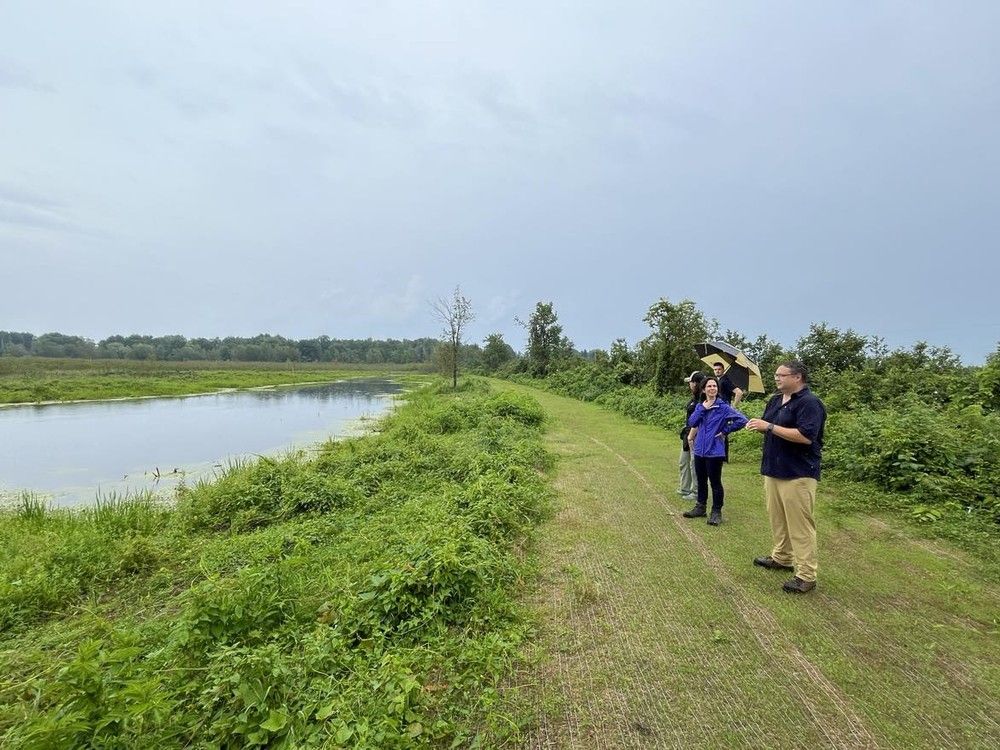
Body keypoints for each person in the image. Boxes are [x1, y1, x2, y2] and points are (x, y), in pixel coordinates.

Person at [745, 361, 827, 594]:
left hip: (798, 473)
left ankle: (806, 575)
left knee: (800, 526)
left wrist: (769, 427)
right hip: (774, 469)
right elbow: (768, 425)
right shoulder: (775, 400)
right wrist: (759, 426)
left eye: (782, 375)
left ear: (798, 377)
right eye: (776, 375)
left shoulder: (810, 404)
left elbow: (805, 436)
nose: (777, 378)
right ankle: (781, 557)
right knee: (777, 519)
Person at [685, 376, 749, 526]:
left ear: (717, 389)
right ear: (703, 389)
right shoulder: (701, 406)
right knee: (701, 480)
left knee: (715, 482)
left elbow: (742, 420)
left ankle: (716, 512)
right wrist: (702, 409)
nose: (712, 388)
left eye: (714, 386)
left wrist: (725, 430)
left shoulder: (723, 407)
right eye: (709, 386)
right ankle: (700, 507)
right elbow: (692, 422)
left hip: (715, 451)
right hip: (700, 449)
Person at [677, 371, 705, 501]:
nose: (690, 384)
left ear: (696, 383)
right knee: (683, 461)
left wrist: (693, 435)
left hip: (696, 435)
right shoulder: (694, 398)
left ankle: (696, 491)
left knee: (695, 464)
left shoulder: (703, 399)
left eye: (691, 382)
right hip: (687, 434)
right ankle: (685, 488)